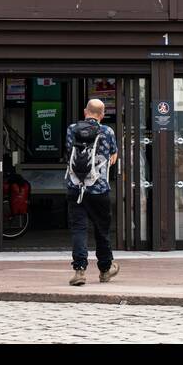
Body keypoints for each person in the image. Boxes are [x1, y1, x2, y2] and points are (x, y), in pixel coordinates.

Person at [64, 98, 119, 286]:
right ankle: (105, 270)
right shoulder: (107, 131)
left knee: (79, 229)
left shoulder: (72, 129)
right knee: (101, 229)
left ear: (85, 111)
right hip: (99, 189)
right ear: (102, 115)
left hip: (75, 186)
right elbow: (113, 156)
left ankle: (79, 271)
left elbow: (68, 151)